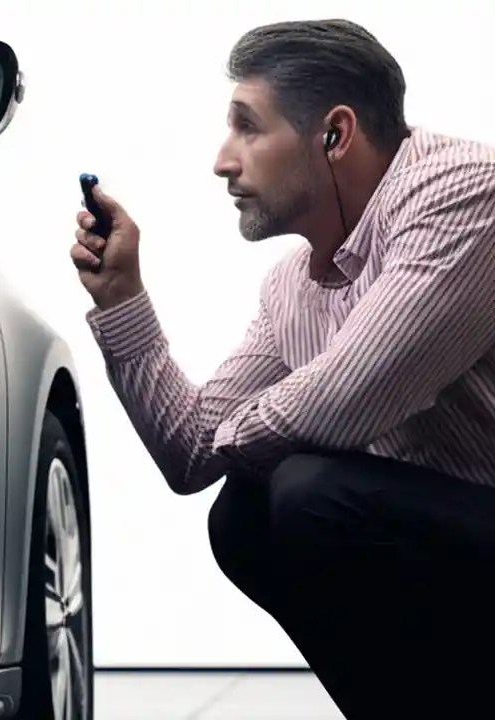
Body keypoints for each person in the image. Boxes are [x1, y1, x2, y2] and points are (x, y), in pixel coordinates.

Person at [69, 18, 495, 719]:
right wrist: (122, 298)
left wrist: (227, 442)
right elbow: (189, 451)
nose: (222, 160)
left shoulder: (458, 194)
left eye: (247, 128)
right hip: (463, 550)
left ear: (334, 134)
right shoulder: (292, 286)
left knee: (307, 491)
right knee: (244, 514)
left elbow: (345, 399)